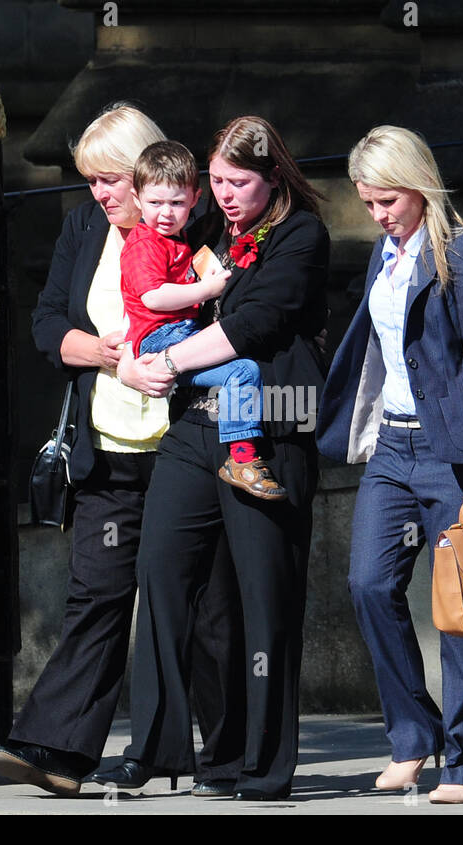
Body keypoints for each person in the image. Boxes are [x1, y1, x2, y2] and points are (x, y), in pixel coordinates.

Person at [0, 103, 243, 796]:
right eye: (90, 181)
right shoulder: (83, 228)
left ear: (145, 172)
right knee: (95, 595)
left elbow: (228, 320)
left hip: (183, 445)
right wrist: (110, 358)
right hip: (107, 446)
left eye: (107, 179)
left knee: (204, 604)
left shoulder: (194, 231)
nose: (98, 194)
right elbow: (46, 324)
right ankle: (55, 748)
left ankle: (227, 755)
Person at [103, 115, 329, 800]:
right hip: (194, 429)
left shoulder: (300, 234)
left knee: (262, 599)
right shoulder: (203, 232)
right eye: (219, 183)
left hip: (268, 432)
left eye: (240, 183)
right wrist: (131, 365)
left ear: (274, 177)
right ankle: (159, 747)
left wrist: (163, 360)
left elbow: (252, 325)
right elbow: (144, 304)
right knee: (165, 574)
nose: (224, 195)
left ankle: (259, 764)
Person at [315, 125, 463, 804]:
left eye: (387, 200)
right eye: (368, 203)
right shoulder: (384, 253)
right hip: (390, 449)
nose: (378, 214)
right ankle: (413, 734)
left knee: (460, 612)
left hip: (451, 455)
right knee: (369, 582)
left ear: (419, 184)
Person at [121, 140, 286, 501]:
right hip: (162, 338)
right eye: (155, 203)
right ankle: (242, 458)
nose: (166, 213)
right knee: (243, 372)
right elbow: (153, 296)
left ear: (195, 198)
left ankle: (239, 455)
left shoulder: (181, 239)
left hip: (175, 336)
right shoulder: (145, 243)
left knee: (236, 372)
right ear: (136, 198)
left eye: (177, 203)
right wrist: (206, 290)